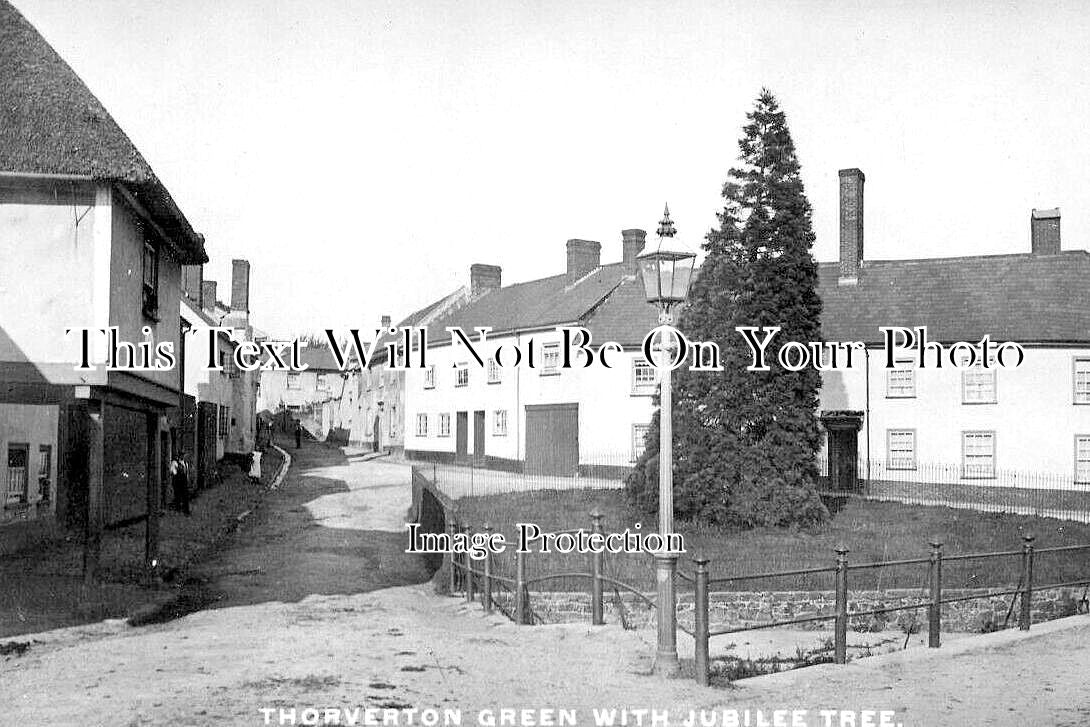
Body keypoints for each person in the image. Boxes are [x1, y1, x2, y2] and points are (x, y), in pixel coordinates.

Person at [169, 450, 191, 516]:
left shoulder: (185, 463)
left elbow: (186, 473)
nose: (183, 456)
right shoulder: (174, 463)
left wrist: (187, 479)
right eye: (181, 455)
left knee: (185, 496)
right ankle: (177, 509)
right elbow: (172, 471)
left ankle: (186, 510)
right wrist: (176, 474)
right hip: (177, 482)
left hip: (184, 482)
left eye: (183, 455)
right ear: (179, 455)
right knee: (178, 496)